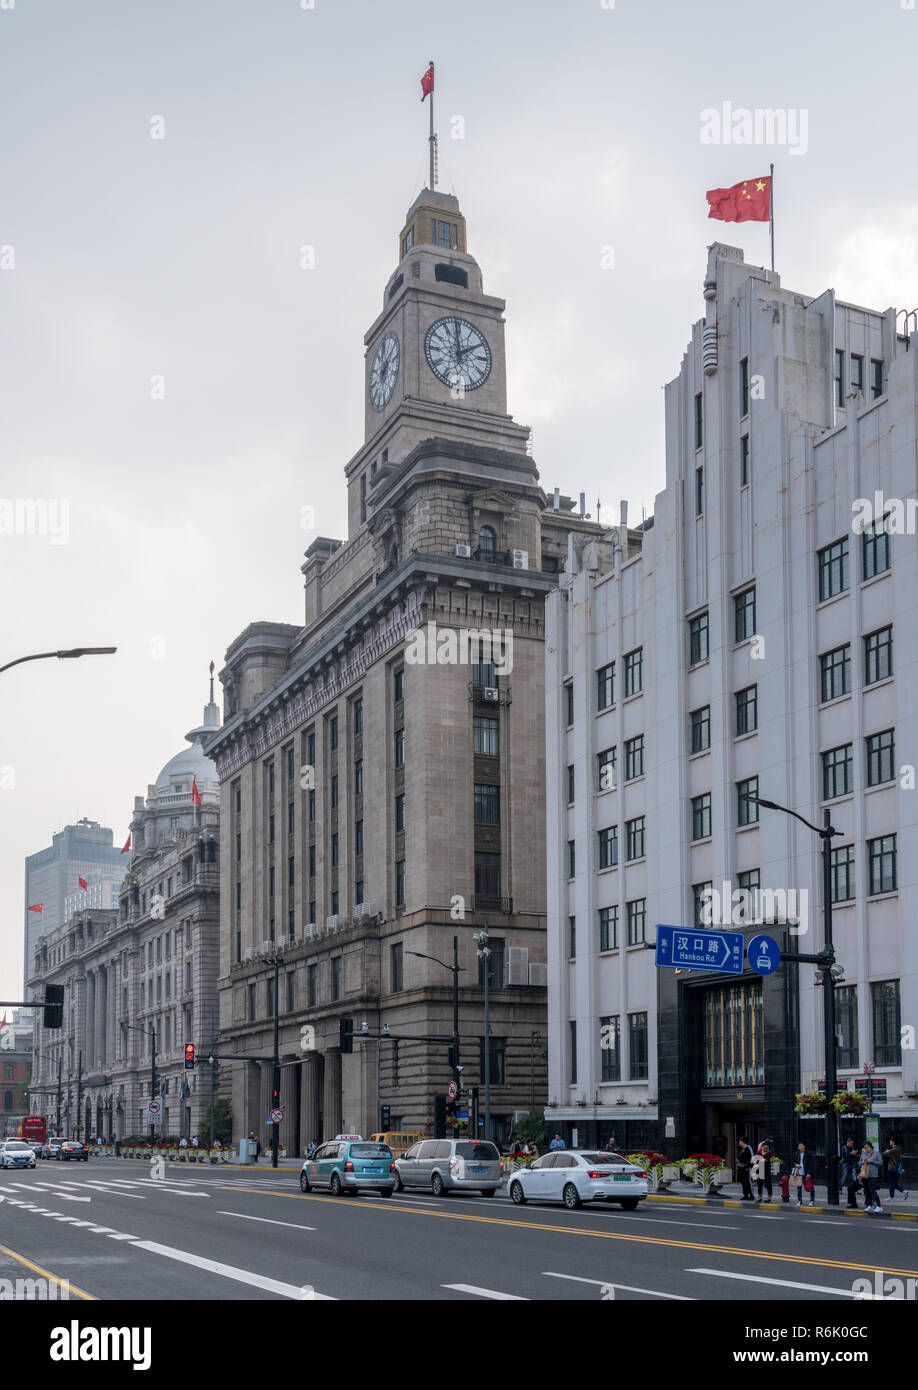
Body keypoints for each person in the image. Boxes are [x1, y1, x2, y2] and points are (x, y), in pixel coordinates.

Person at [859, 1141, 883, 1212]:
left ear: (871, 1147)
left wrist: (871, 1161)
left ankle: (879, 1206)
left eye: (867, 1147)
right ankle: (869, 1205)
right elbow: (859, 1163)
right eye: (865, 1148)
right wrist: (863, 1162)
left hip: (873, 1175)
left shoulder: (876, 1153)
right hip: (864, 1174)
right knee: (866, 1190)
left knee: (872, 1190)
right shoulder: (863, 1154)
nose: (866, 1149)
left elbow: (880, 1163)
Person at [882, 1138, 909, 1202]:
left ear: (893, 1142)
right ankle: (904, 1192)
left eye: (890, 1141)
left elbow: (883, 1154)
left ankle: (891, 1197)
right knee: (894, 1183)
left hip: (892, 1168)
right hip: (897, 1169)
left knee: (891, 1183)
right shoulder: (898, 1149)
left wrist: (887, 1151)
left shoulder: (893, 1150)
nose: (890, 1142)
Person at [839, 1137, 862, 1209]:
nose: (852, 1145)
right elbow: (844, 1156)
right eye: (851, 1143)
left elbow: (854, 1156)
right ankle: (839, 1189)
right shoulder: (844, 1148)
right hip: (846, 1164)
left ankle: (856, 1189)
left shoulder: (852, 1148)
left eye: (853, 1144)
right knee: (844, 1176)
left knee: (854, 1177)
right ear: (848, 1142)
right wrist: (851, 1153)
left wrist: (854, 1154)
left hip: (852, 1164)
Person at [736, 1135, 754, 1200]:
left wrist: (748, 1166)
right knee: (743, 1182)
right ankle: (745, 1195)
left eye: (740, 1141)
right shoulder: (742, 1149)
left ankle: (751, 1195)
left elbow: (752, 1158)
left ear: (742, 1141)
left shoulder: (748, 1148)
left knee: (748, 1181)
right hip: (741, 1168)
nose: (739, 1142)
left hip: (747, 1168)